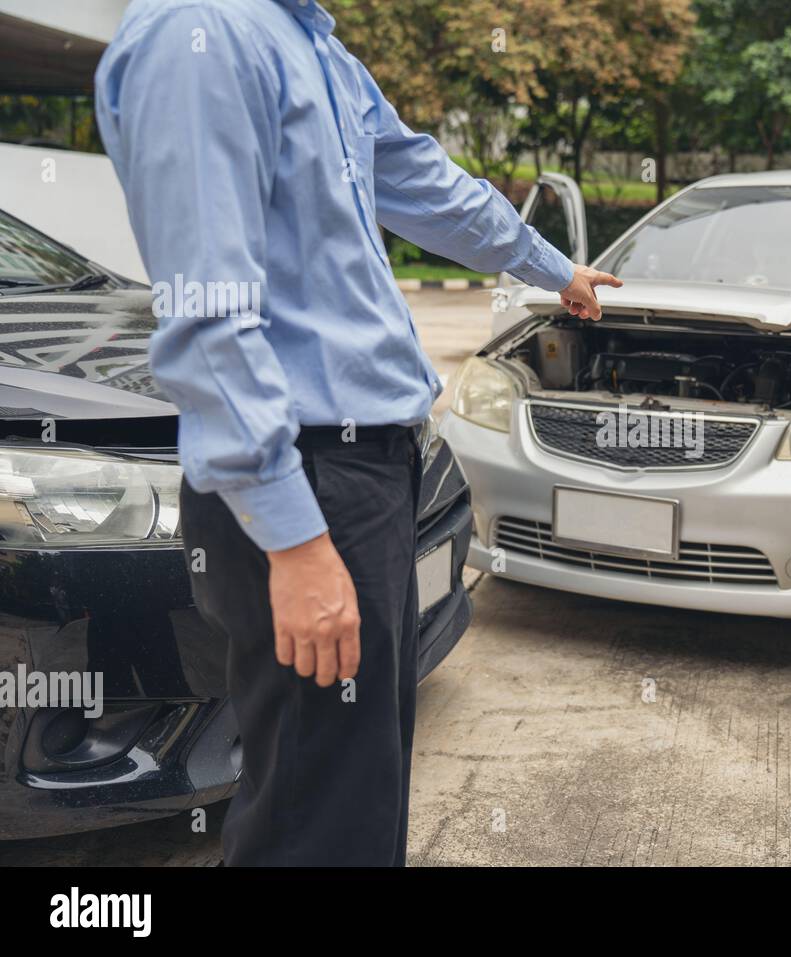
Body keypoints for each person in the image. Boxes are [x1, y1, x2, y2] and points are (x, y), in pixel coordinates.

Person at [95, 0, 619, 865]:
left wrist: (549, 267)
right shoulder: (203, 33)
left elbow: (424, 181)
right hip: (302, 479)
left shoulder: (314, 46)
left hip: (365, 471)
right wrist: (296, 541)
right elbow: (207, 319)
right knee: (313, 819)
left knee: (355, 793)